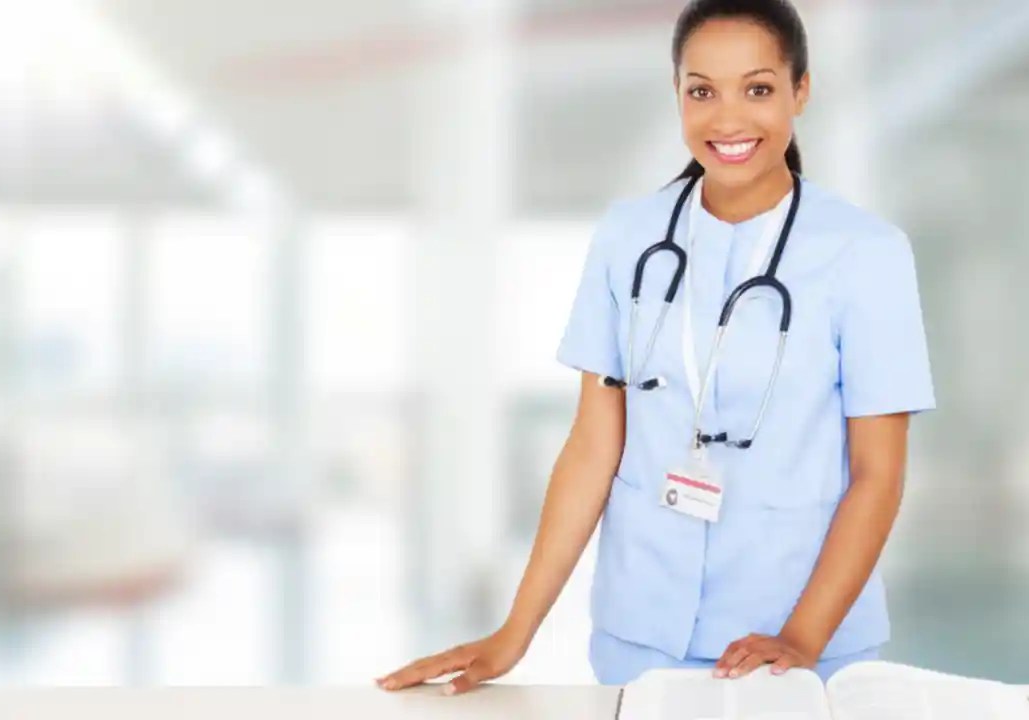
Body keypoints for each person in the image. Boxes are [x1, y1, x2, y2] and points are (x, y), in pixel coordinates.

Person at [376, 0, 936, 694]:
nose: (727, 118)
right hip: (641, 637)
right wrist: (513, 633)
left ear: (801, 90)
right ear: (677, 95)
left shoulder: (866, 254)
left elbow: (877, 474)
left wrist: (802, 638)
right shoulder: (628, 238)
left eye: (757, 89)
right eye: (702, 90)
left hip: (804, 647)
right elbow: (592, 446)